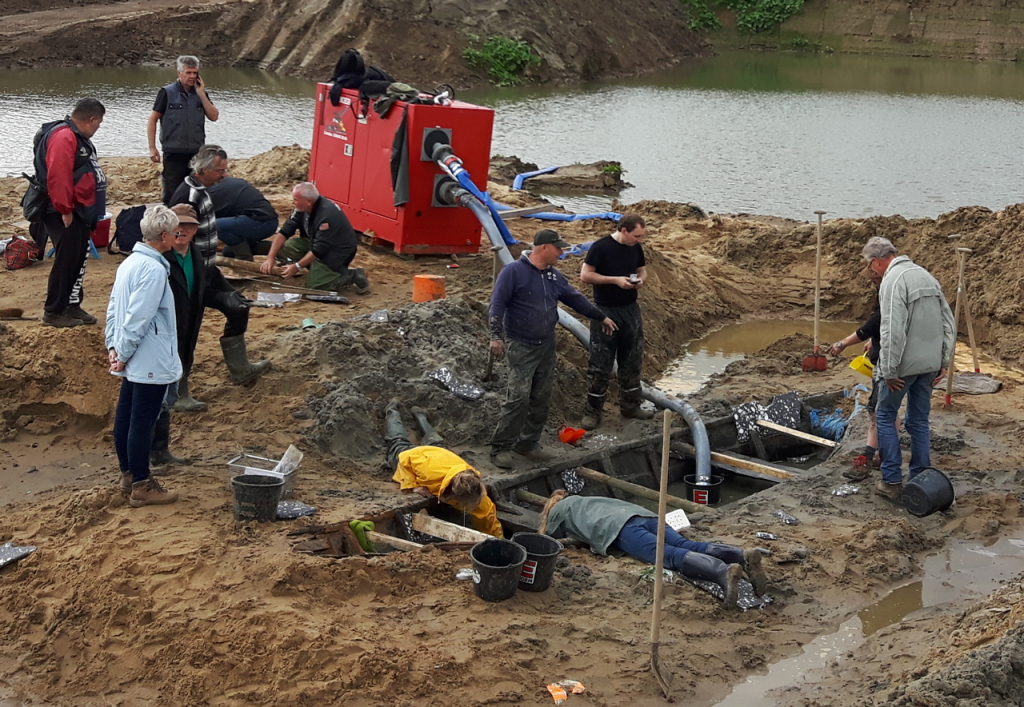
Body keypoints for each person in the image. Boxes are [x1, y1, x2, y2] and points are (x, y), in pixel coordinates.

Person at [489, 228, 618, 470]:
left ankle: (528, 443)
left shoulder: (553, 276)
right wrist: (496, 336)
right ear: (544, 247)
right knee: (518, 396)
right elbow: (497, 303)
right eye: (558, 248)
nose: (561, 252)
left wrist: (601, 317)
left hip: (545, 344)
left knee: (541, 395)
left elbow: (575, 298)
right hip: (521, 344)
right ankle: (501, 447)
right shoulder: (513, 272)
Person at [538, 491, 767, 608]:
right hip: (645, 516)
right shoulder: (588, 501)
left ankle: (721, 572)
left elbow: (547, 538)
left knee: (667, 555)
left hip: (621, 529)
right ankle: (741, 555)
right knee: (685, 544)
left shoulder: (561, 509)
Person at [862, 236, 955, 500]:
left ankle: (891, 481)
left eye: (870, 267)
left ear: (876, 262)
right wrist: (943, 361)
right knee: (919, 420)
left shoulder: (892, 281)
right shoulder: (927, 277)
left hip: (903, 365)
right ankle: (921, 478)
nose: (872, 272)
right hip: (929, 364)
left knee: (885, 414)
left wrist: (889, 371)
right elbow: (948, 324)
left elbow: (892, 330)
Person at [171, 145, 271, 387]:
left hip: (209, 268)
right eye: (220, 171)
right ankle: (179, 388)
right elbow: (177, 239)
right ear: (203, 169)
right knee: (187, 331)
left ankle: (241, 369)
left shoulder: (203, 190)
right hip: (190, 273)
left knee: (239, 306)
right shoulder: (188, 196)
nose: (224, 176)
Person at [106, 205, 182, 507]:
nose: (177, 238)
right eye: (175, 234)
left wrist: (113, 346)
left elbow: (114, 308)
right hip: (147, 356)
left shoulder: (130, 263)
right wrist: (121, 353)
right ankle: (141, 483)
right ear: (163, 236)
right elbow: (138, 317)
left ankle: (128, 473)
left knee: (126, 416)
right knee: (141, 421)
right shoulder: (152, 270)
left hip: (133, 353)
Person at [35, 97, 107, 328]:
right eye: (99, 123)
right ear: (91, 119)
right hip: (62, 210)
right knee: (66, 259)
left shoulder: (74, 135)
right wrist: (64, 209)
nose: (98, 127)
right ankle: (54, 310)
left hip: (78, 209)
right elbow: (58, 175)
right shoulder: (64, 136)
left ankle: (71, 305)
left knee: (77, 257)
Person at [383, 399, 503, 538]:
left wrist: (498, 541)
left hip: (441, 455)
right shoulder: (430, 474)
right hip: (414, 456)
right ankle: (392, 411)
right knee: (397, 442)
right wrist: (413, 485)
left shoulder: (474, 489)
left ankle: (420, 414)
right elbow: (405, 458)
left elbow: (488, 517)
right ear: (455, 496)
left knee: (436, 441)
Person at [579, 212, 654, 430]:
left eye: (642, 236)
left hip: (630, 310)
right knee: (601, 363)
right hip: (605, 310)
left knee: (632, 359)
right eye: (637, 236)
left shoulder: (635, 248)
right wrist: (615, 281)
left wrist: (640, 281)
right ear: (624, 231)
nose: (639, 240)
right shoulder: (601, 247)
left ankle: (630, 406)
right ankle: (592, 411)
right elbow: (585, 275)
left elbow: (642, 270)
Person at [148, 205, 205, 467]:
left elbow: (203, 289)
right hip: (160, 336)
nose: (182, 231)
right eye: (177, 226)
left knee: (167, 393)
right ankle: (152, 456)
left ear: (195, 230)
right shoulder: (157, 261)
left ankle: (159, 453)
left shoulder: (197, 255)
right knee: (156, 398)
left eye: (188, 226)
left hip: (184, 327)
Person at [260, 182, 368, 293]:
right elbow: (284, 232)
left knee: (315, 286)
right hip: (315, 243)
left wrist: (297, 266)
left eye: (296, 199)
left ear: (308, 201)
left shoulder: (327, 215)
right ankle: (317, 270)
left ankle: (352, 275)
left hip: (337, 251)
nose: (293, 202)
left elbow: (319, 249)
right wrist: (270, 258)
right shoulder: (301, 209)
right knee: (288, 246)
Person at [830, 266, 884, 480]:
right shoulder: (885, 293)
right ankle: (884, 454)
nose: (871, 281)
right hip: (889, 358)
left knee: (878, 411)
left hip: (889, 364)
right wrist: (874, 341)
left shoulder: (890, 294)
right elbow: (879, 327)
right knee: (885, 410)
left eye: (874, 278)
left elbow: (870, 326)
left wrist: (842, 343)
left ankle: (870, 457)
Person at [148, 56, 219, 205]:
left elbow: (214, 116)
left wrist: (201, 94)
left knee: (196, 192)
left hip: (196, 152)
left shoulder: (201, 94)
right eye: (188, 72)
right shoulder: (166, 93)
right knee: (172, 193)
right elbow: (152, 120)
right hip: (173, 152)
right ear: (179, 73)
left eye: (195, 73)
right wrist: (152, 148)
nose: (192, 76)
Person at [207, 176, 279, 261]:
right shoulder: (221, 183)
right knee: (229, 252)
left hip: (261, 222)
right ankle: (277, 248)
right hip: (266, 221)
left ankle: (244, 258)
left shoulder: (211, 192)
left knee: (215, 225)